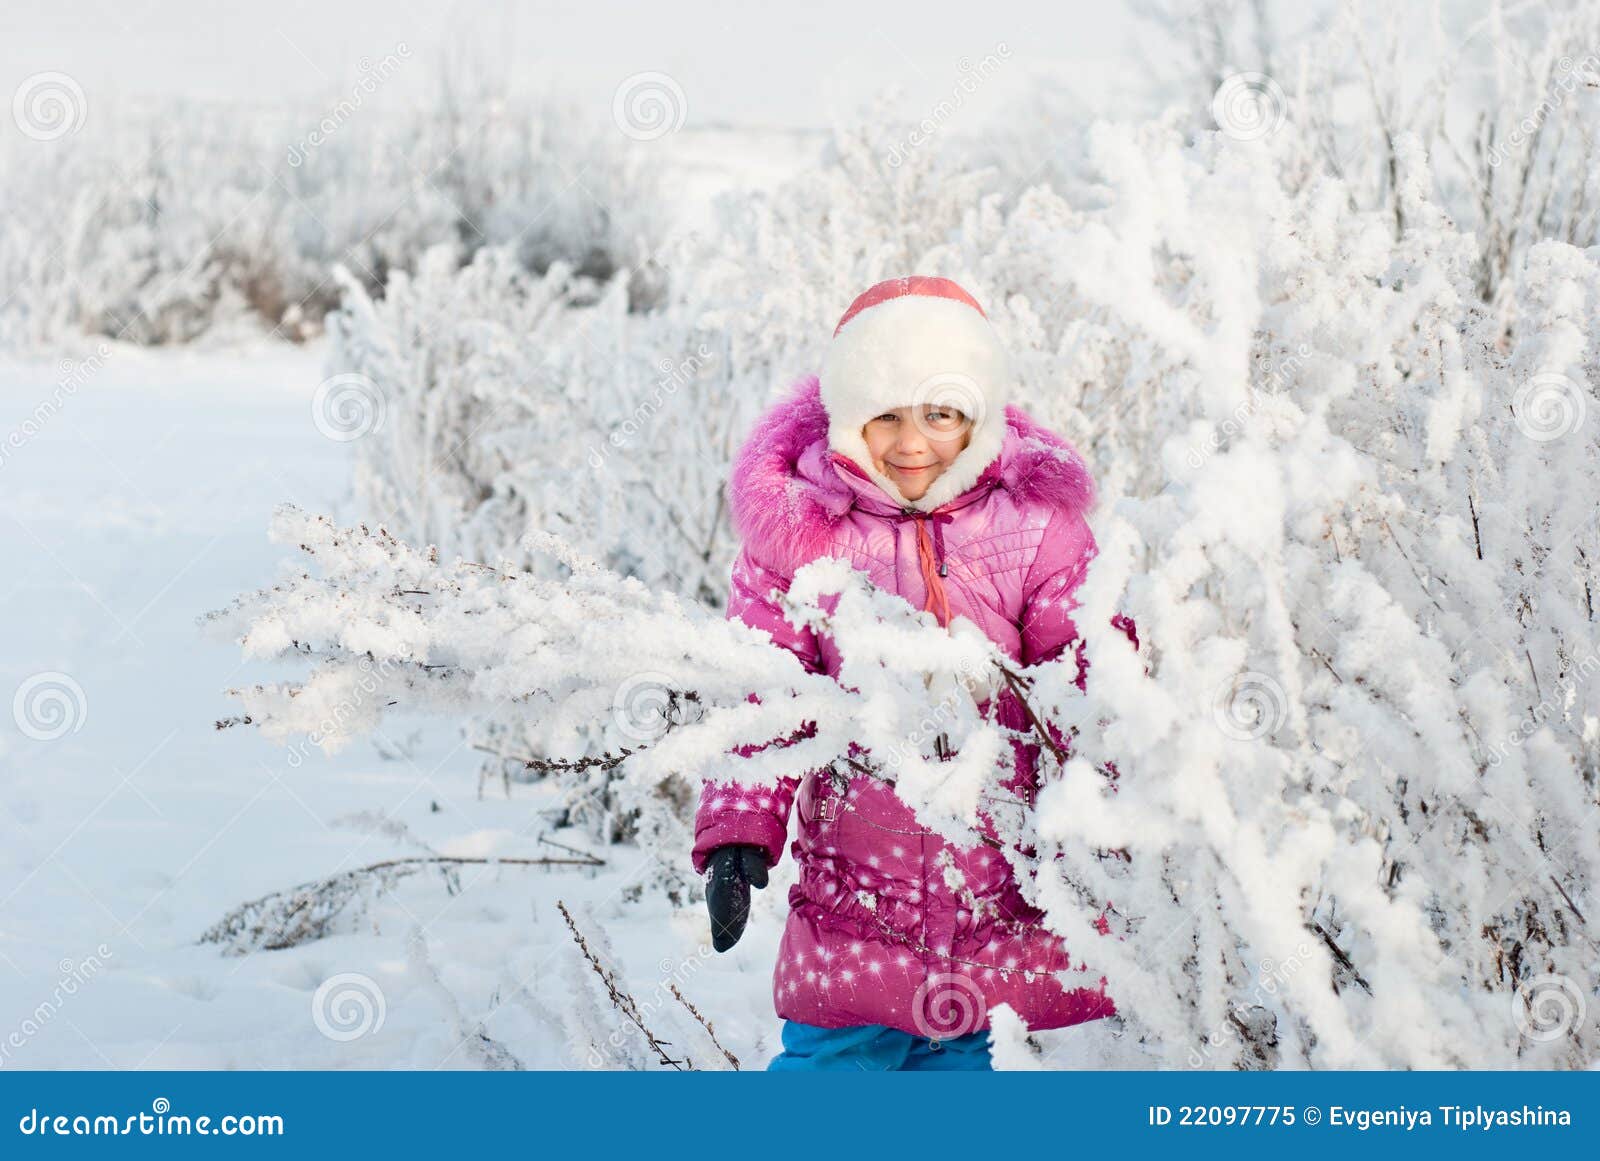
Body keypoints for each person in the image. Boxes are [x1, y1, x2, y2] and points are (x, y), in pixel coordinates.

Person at [690, 275, 1139, 1071]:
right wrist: (737, 832)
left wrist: (1110, 820)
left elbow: (1089, 683)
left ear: (978, 414)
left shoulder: (1038, 528)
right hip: (854, 909)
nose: (910, 442)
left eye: (938, 414)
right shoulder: (803, 534)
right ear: (846, 418)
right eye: (885, 415)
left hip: (994, 905)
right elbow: (764, 686)